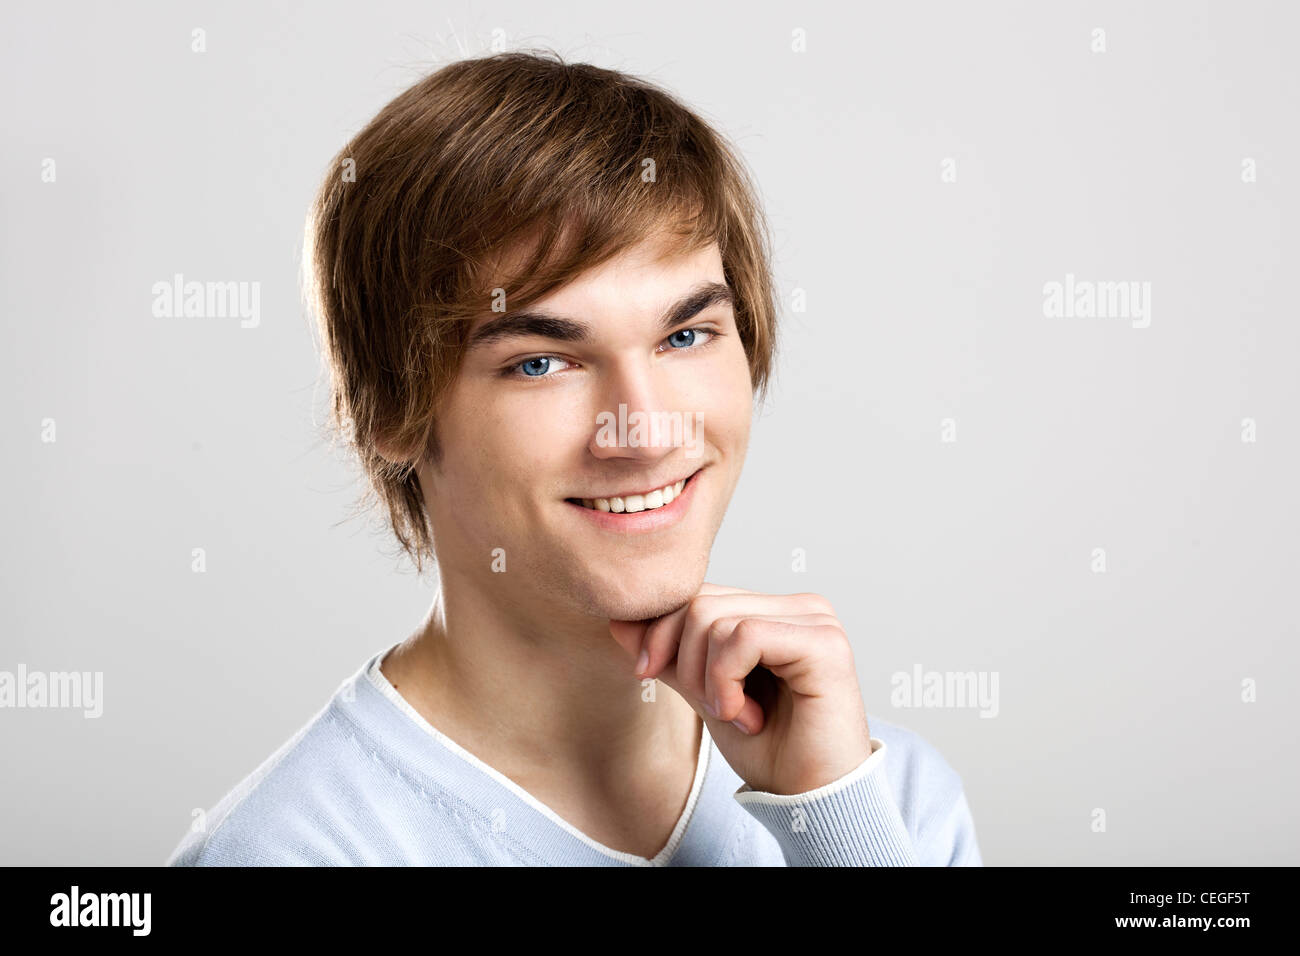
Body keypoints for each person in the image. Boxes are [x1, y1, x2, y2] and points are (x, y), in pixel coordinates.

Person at [166, 49, 982, 867]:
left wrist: (835, 828)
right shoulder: (295, 850)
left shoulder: (880, 799)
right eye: (541, 362)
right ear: (389, 411)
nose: (646, 430)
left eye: (686, 334)